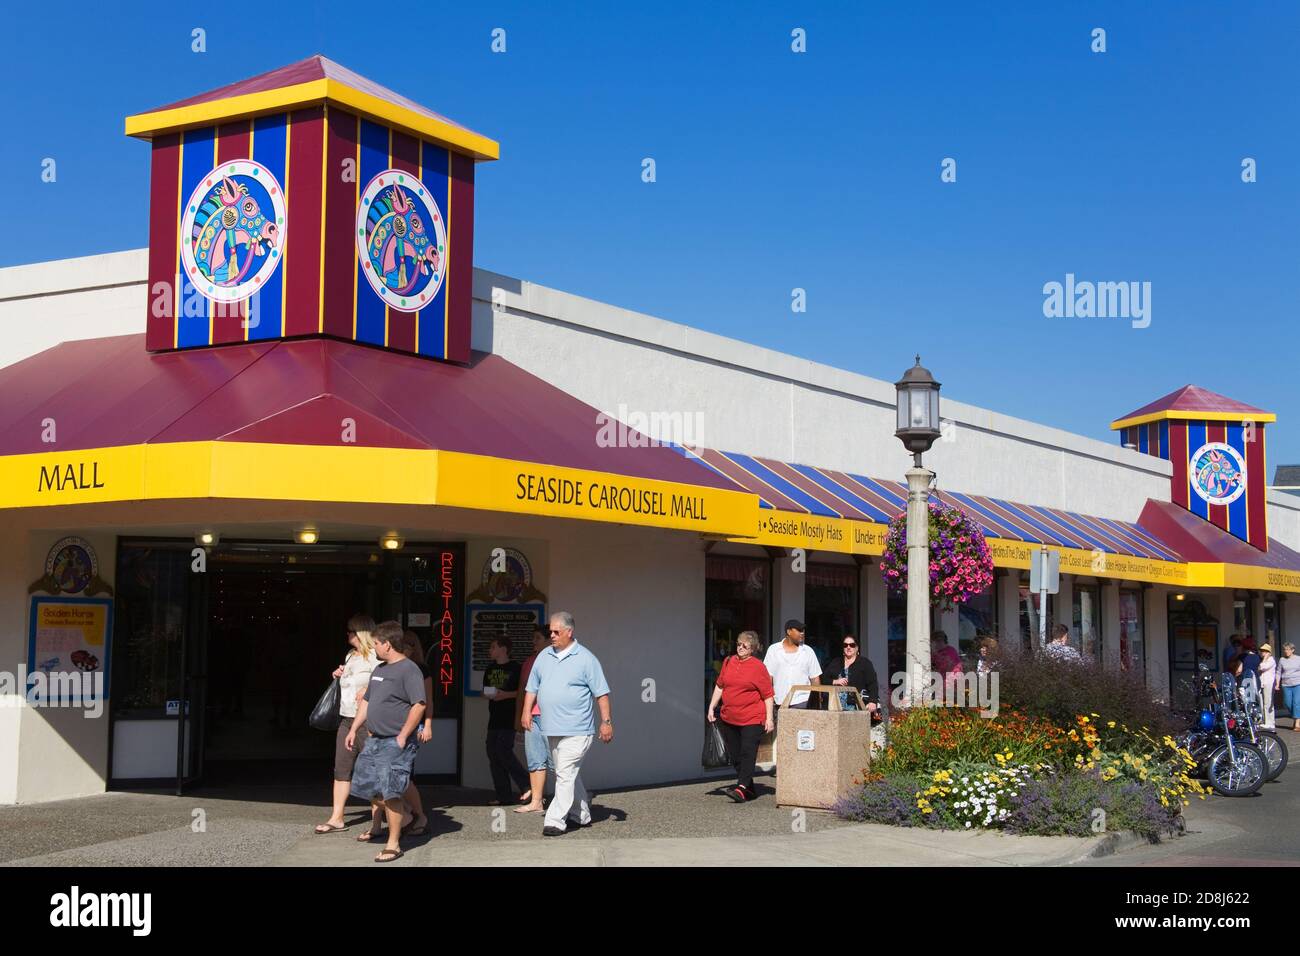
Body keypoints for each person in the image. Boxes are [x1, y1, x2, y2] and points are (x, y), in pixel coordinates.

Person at [520, 612, 613, 836]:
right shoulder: (544, 656)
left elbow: (601, 693)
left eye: (556, 632)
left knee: (564, 772)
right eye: (550, 631)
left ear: (569, 632)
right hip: (550, 728)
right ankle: (581, 815)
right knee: (568, 773)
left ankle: (555, 820)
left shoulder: (586, 658)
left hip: (578, 730)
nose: (551, 635)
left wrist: (606, 722)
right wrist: (526, 712)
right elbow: (532, 687)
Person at [346, 620, 426, 863]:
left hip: (395, 742)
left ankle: (394, 844)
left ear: (388, 645)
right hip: (374, 740)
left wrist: (403, 735)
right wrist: (354, 728)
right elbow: (368, 702)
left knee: (390, 792)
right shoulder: (379, 669)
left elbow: (419, 705)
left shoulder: (409, 669)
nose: (375, 648)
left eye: (377, 643)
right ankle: (408, 815)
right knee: (363, 786)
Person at [315, 614, 377, 835]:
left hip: (368, 721)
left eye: (351, 630)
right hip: (346, 718)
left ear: (361, 632)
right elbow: (349, 683)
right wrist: (339, 674)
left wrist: (368, 690)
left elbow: (385, 684)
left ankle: (379, 822)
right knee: (341, 769)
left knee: (373, 772)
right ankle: (337, 817)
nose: (348, 634)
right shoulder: (351, 656)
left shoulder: (376, 658)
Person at [708, 630, 775, 802]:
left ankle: (742, 787)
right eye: (738, 644)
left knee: (747, 752)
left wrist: (769, 718)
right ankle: (749, 788)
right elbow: (720, 686)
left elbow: (767, 694)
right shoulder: (728, 661)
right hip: (729, 717)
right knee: (736, 755)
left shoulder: (758, 667)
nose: (740, 647)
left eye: (745, 645)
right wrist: (712, 706)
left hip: (752, 717)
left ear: (752, 648)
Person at [482, 635, 530, 805]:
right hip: (494, 716)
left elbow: (523, 692)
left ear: (503, 649)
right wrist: (488, 694)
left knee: (503, 751)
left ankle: (527, 784)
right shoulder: (489, 668)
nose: (490, 650)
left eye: (493, 647)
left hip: (510, 716)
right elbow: (485, 689)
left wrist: (505, 695)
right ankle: (503, 795)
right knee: (493, 754)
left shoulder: (516, 668)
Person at [514, 626, 550, 814]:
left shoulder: (555, 660)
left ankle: (573, 800)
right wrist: (521, 714)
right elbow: (524, 690)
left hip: (551, 716)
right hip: (532, 716)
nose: (533, 641)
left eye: (537, 638)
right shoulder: (529, 662)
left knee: (557, 762)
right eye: (533, 637)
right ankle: (536, 801)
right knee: (535, 759)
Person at [763, 619, 821, 710]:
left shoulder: (808, 651)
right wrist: (768, 700)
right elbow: (768, 677)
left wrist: (817, 702)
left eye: (803, 630)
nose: (802, 633)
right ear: (789, 632)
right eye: (799, 630)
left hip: (802, 701)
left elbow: (815, 678)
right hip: (779, 701)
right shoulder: (773, 650)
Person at [820, 634, 880, 714]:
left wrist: (873, 701)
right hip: (835, 707)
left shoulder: (864, 663)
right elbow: (823, 679)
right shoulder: (835, 662)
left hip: (856, 707)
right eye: (845, 645)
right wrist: (835, 681)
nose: (848, 647)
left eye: (852, 645)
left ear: (857, 648)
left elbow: (873, 684)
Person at [1278, 643, 1300, 733]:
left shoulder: (1298, 659)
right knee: (1287, 703)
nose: (1286, 651)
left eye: (1288, 649)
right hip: (1286, 684)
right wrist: (1276, 683)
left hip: (1298, 683)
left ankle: (1297, 723)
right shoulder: (1282, 660)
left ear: (1292, 650)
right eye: (1285, 650)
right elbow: (1278, 672)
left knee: (1296, 703)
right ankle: (1296, 716)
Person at [1257, 643, 1278, 729]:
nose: (1262, 653)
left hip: (1268, 683)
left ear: (1268, 652)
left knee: (1268, 703)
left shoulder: (1271, 660)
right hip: (1263, 683)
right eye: (1261, 651)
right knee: (1263, 702)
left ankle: (1269, 722)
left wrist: (1265, 659)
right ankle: (1266, 721)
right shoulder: (1263, 660)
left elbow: (1262, 667)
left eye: (1264, 651)